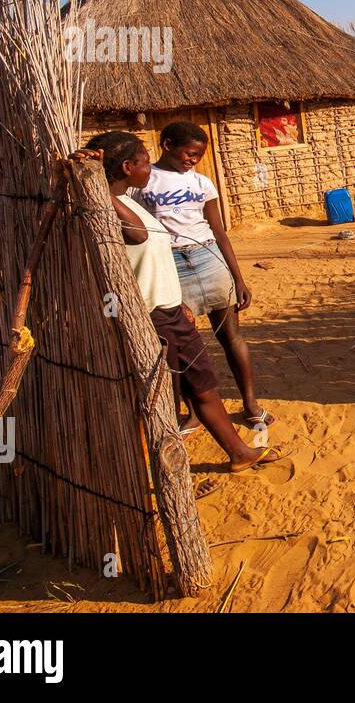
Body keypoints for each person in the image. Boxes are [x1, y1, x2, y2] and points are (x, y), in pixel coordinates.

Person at [73, 133, 286, 488]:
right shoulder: (114, 204)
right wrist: (91, 174)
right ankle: (195, 462)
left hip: (168, 308)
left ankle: (237, 452)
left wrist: (180, 302)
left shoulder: (127, 199)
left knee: (201, 383)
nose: (149, 168)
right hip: (153, 313)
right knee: (183, 387)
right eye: (143, 162)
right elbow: (139, 236)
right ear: (127, 167)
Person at [135, 121, 272, 432]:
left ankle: (250, 404)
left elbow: (219, 231)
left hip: (209, 259)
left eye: (197, 155)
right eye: (188, 153)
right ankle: (194, 412)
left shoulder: (202, 183)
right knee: (180, 347)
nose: (192, 160)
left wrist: (238, 278)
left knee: (231, 337)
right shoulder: (143, 182)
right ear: (167, 145)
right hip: (170, 265)